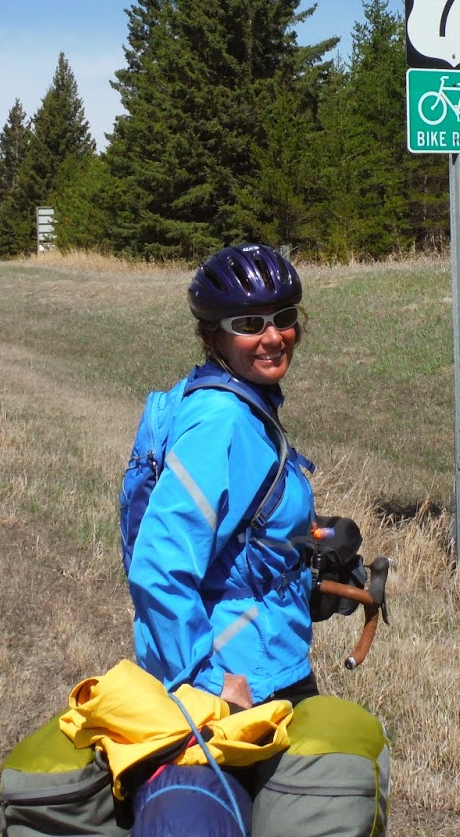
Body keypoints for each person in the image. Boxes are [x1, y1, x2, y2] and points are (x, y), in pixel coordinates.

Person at [125, 243, 320, 715]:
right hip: (240, 682)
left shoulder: (243, 405)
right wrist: (206, 680)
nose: (274, 337)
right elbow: (159, 565)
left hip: (263, 658)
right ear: (215, 336)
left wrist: (308, 560)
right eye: (250, 324)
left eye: (284, 316)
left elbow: (240, 533)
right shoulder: (220, 421)